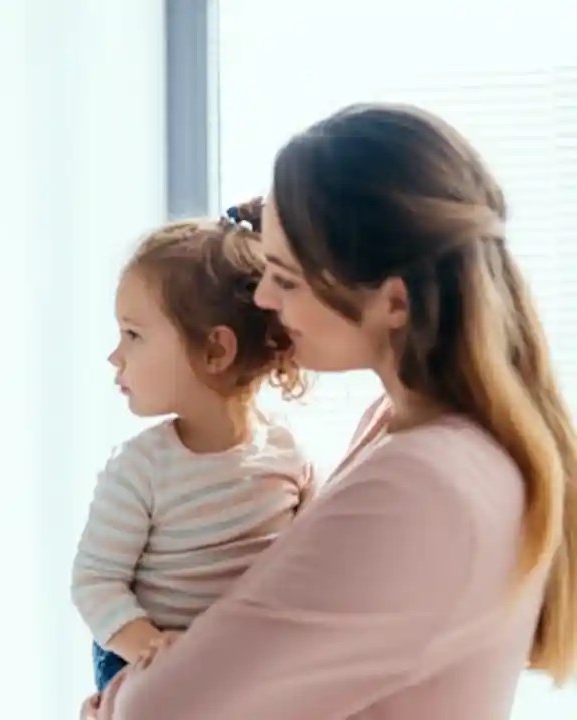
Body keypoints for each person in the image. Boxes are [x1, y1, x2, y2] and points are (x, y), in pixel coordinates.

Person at [82, 103, 577, 719]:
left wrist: (113, 703)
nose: (264, 299)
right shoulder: (398, 427)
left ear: (393, 303)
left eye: (286, 280)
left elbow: (161, 712)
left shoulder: (422, 484)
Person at [72, 207, 314, 692]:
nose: (115, 356)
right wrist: (154, 650)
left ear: (215, 351)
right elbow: (95, 582)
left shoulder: (288, 455)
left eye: (133, 335)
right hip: (148, 666)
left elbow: (313, 564)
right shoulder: (139, 470)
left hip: (241, 671)